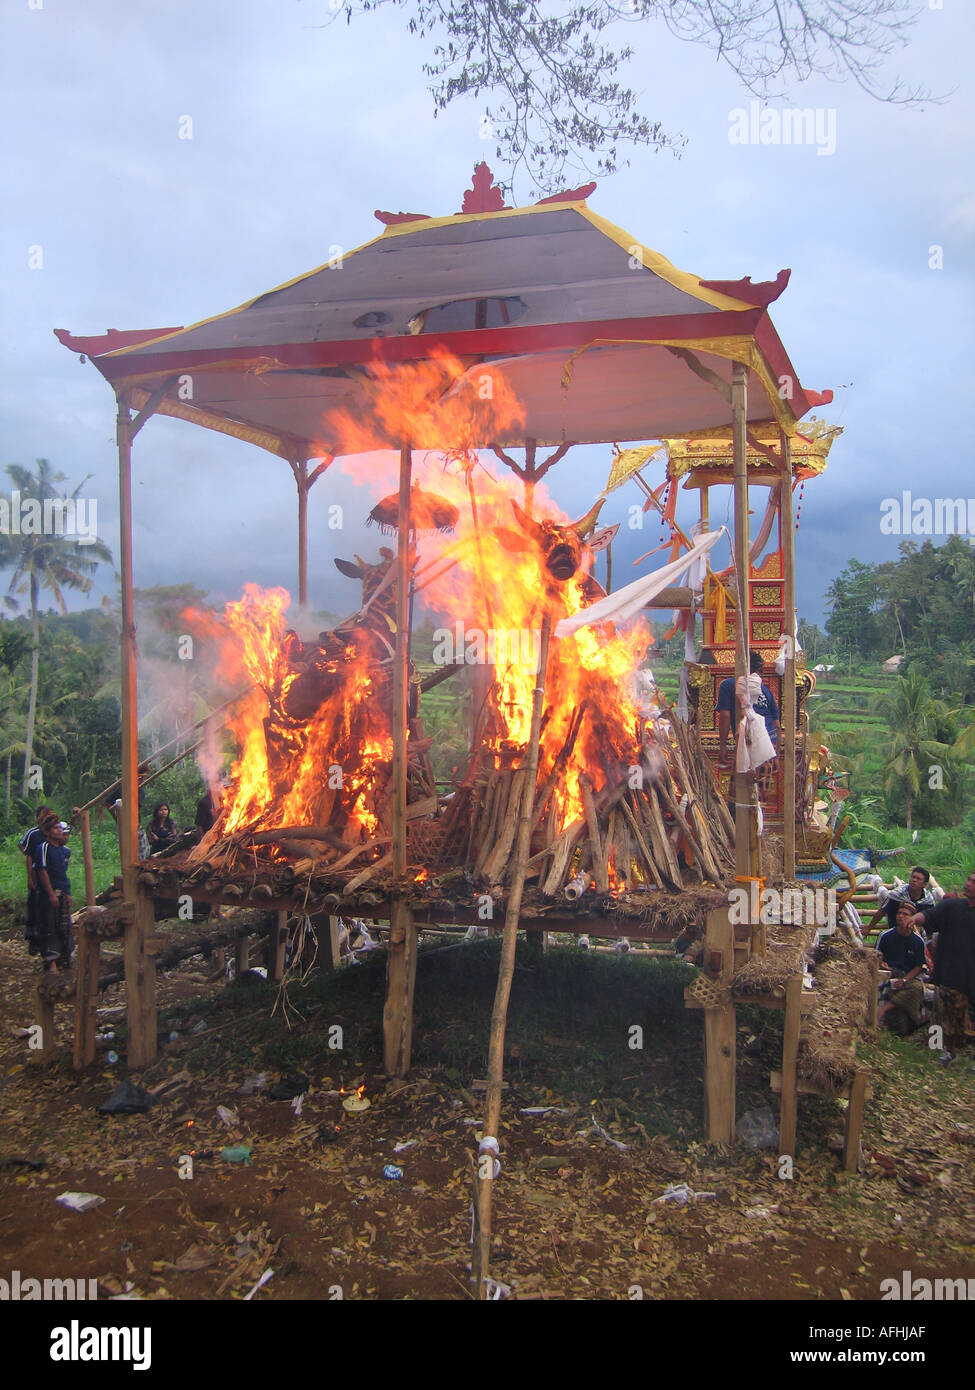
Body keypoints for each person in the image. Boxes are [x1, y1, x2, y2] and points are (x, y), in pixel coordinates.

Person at [909, 870, 975, 1061]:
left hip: (970, 977)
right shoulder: (952, 906)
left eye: (974, 882)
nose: (969, 884)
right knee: (942, 1014)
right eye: (969, 880)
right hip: (947, 972)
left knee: (965, 1019)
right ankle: (943, 1050)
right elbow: (929, 915)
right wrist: (914, 919)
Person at [717, 650, 781, 769]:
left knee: (742, 784)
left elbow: (725, 716)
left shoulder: (728, 685)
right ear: (759, 670)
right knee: (763, 785)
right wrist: (775, 754)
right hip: (768, 746)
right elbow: (776, 725)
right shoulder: (767, 691)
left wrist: (723, 747)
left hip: (748, 745)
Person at [876, 902, 927, 1035]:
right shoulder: (885, 936)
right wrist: (881, 963)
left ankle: (885, 1009)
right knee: (900, 1024)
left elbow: (918, 966)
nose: (901, 916)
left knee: (916, 988)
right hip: (888, 974)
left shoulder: (917, 941)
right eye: (899, 913)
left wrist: (904, 980)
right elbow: (876, 957)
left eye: (905, 914)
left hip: (908, 978)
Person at [32, 813, 73, 973]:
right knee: (49, 925)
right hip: (47, 894)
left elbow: (63, 874)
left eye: (59, 828)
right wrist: (50, 893)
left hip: (62, 892)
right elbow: (42, 872)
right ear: (48, 832)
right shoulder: (42, 848)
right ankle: (50, 962)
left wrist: (67, 893)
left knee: (64, 926)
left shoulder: (64, 851)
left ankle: (64, 958)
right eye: (55, 828)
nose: (58, 831)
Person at [17, 804, 53, 956]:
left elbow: (68, 831)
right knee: (34, 907)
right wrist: (30, 878)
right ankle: (34, 941)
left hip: (52, 874)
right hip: (37, 875)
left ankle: (49, 941)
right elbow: (27, 853)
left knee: (48, 907)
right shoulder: (33, 834)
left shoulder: (54, 832)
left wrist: (75, 818)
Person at [866, 865, 937, 936]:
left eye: (918, 879)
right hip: (896, 931)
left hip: (918, 933)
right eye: (913, 877)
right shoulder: (897, 894)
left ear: (924, 884)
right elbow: (882, 911)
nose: (914, 880)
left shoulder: (928, 900)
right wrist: (868, 928)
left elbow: (931, 918)